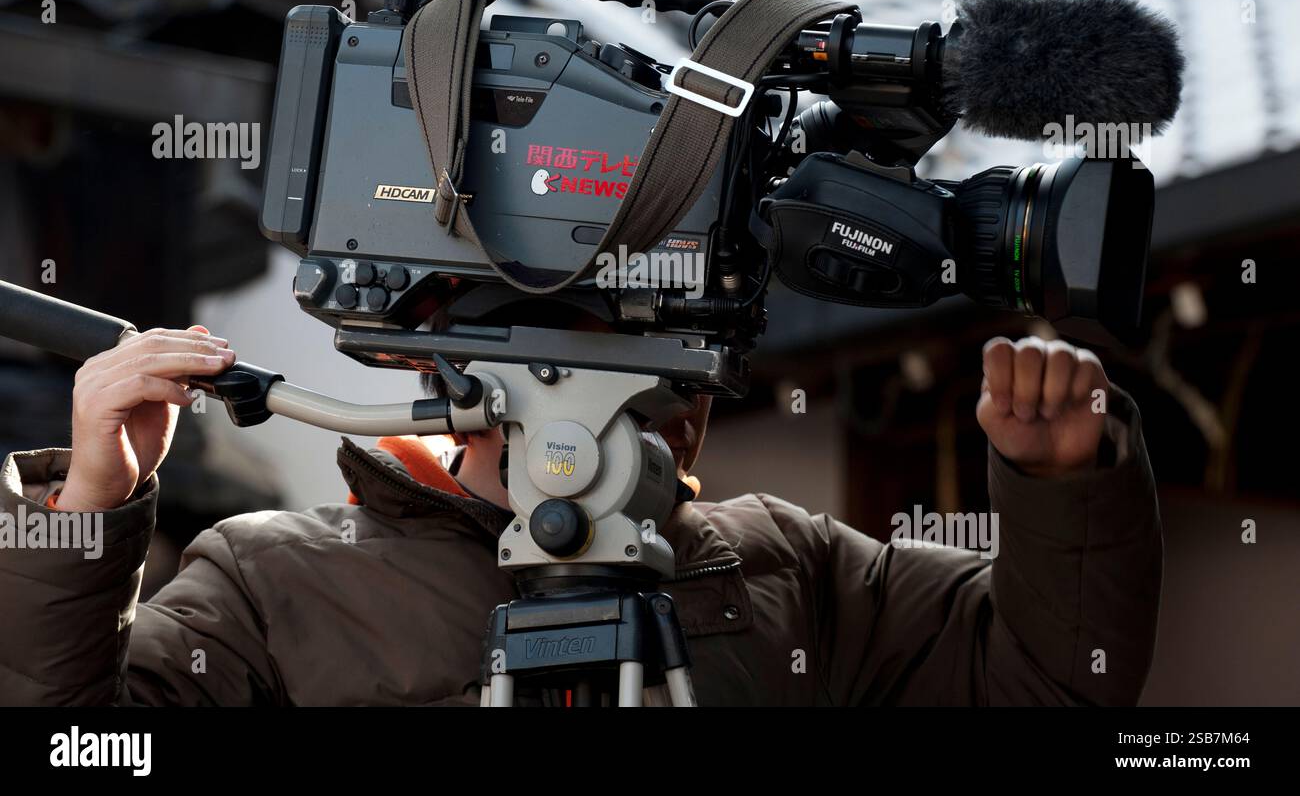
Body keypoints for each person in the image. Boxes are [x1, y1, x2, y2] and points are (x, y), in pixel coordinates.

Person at [0, 291, 1162, 705]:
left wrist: (1064, 484)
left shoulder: (782, 565)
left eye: (693, 369)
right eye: (620, 357)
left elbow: (1058, 682)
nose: (676, 406)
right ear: (481, 373)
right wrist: (93, 499)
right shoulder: (273, 581)